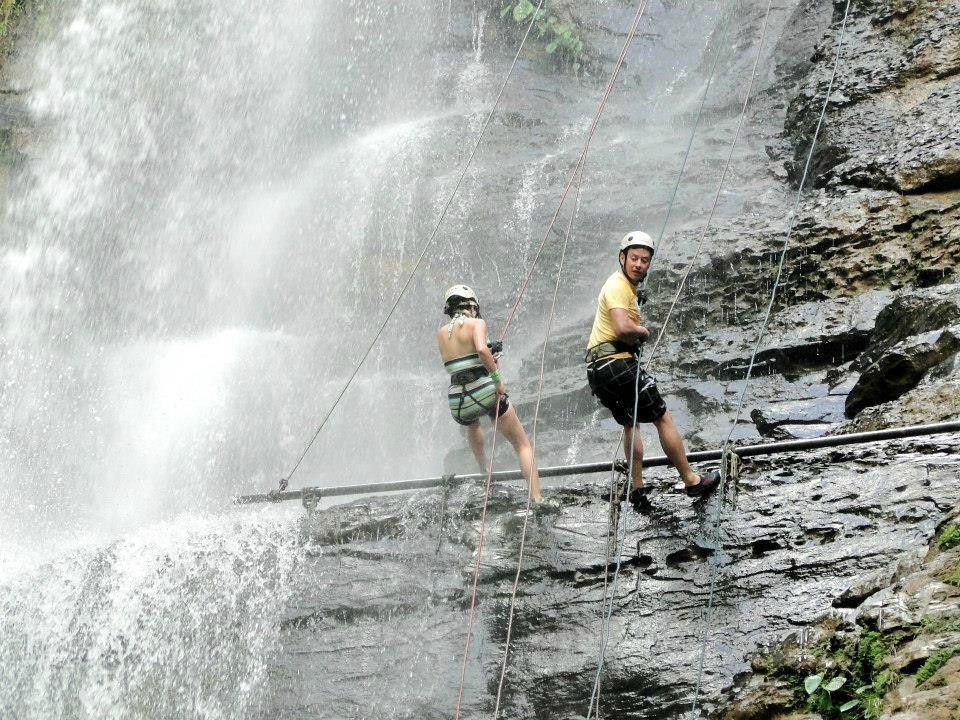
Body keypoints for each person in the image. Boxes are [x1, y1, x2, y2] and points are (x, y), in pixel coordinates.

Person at [584, 231, 719, 512]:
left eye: (644, 260)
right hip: (616, 363)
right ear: (622, 258)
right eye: (634, 258)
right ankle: (692, 481)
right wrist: (643, 332)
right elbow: (622, 328)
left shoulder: (625, 288)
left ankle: (637, 489)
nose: (639, 264)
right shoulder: (618, 285)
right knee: (662, 416)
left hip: (597, 370)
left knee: (630, 422)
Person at [437, 285, 544, 504]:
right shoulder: (478, 324)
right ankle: (537, 498)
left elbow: (460, 363)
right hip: (484, 392)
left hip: (458, 401)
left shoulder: (440, 334)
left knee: (472, 424)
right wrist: (497, 377)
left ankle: (484, 469)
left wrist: (488, 352)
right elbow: (480, 350)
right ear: (472, 305)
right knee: (522, 445)